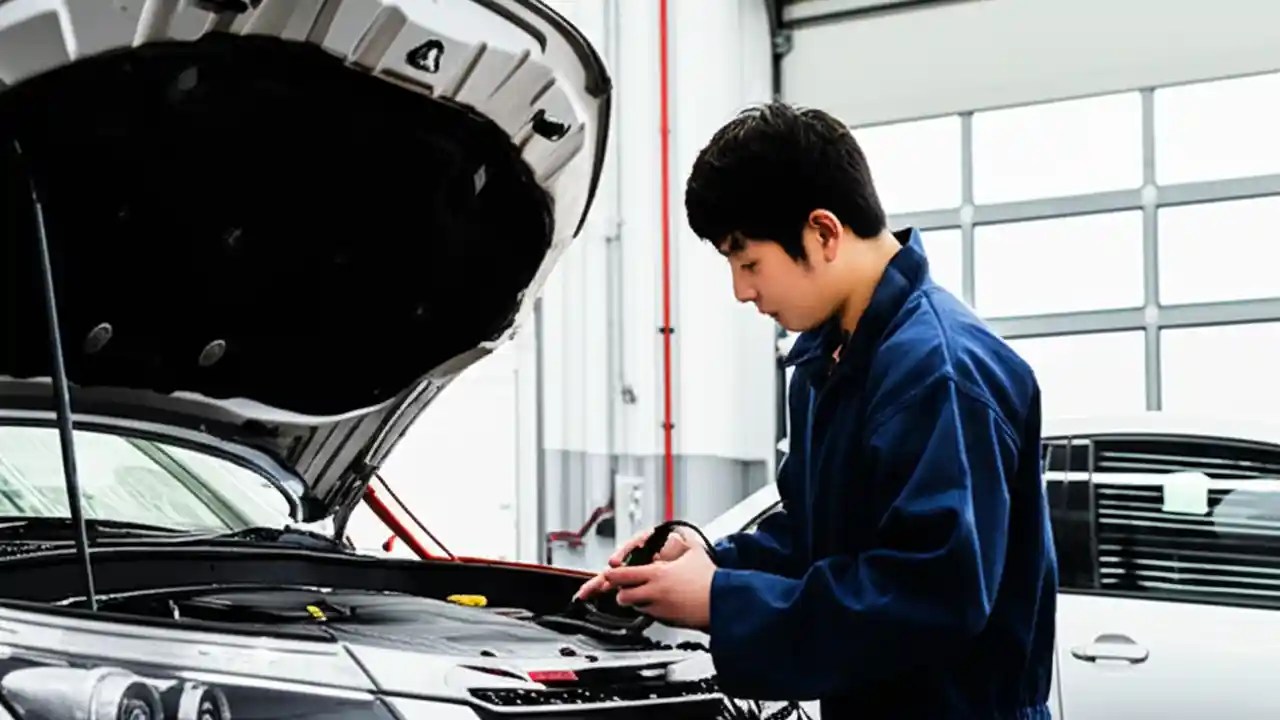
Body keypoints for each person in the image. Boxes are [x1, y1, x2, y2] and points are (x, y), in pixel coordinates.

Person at [573, 102, 1058, 719]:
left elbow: (933, 595)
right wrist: (707, 558)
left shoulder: (939, 370)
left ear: (824, 233)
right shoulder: (827, 361)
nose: (742, 291)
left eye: (748, 262)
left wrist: (723, 602)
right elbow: (816, 537)